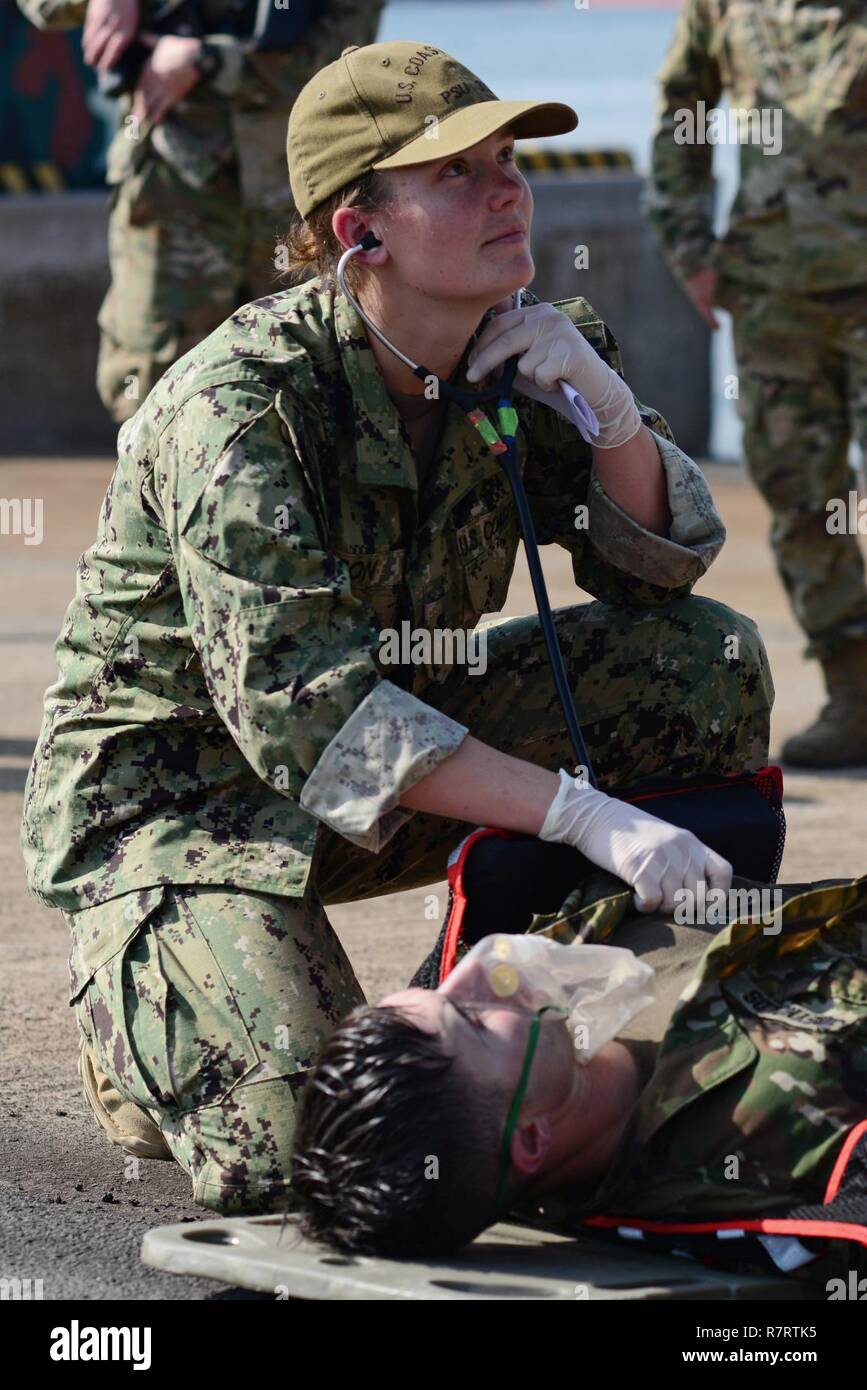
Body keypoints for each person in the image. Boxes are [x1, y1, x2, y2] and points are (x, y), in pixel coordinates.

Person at [22, 40, 773, 1215]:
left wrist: (612, 416)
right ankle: (145, 1007)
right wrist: (585, 814)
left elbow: (655, 577)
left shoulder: (519, 350)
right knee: (314, 1146)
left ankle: (494, 1022)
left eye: (510, 160)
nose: (510, 190)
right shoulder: (242, 409)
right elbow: (318, 725)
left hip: (392, 752)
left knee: (697, 668)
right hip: (179, 808)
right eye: (458, 172)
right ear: (357, 230)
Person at [289, 868, 867, 1283]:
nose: (474, 972)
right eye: (470, 1017)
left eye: (432, 990)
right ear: (533, 1137)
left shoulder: (561, 952)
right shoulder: (769, 1144)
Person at [644, 0, 867, 768]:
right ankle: (854, 694)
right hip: (772, 287)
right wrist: (689, 244)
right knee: (801, 499)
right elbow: (682, 108)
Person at [15, 0, 384, 422]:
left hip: (298, 203)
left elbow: (340, 55)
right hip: (173, 193)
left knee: (307, 385)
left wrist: (207, 61)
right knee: (153, 395)